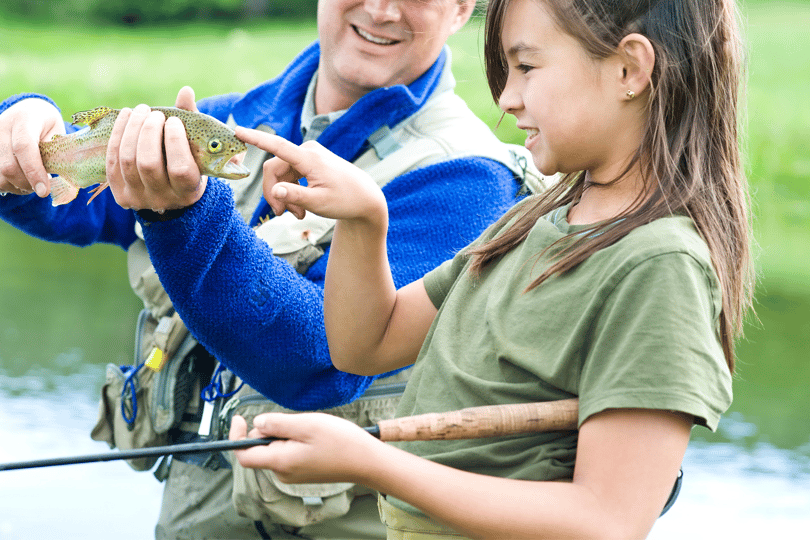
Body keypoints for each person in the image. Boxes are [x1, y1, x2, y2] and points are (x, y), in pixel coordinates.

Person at [0, 0, 547, 537]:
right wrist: (19, 140)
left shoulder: (470, 180)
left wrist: (186, 212)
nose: (381, 9)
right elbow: (67, 209)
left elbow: (322, 360)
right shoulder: (237, 119)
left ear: (462, 8)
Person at [230, 0, 754, 537]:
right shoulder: (535, 219)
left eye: (526, 67)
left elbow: (607, 519)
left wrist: (373, 462)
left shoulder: (660, 265)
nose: (506, 98)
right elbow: (367, 344)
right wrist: (363, 218)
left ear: (629, 70)